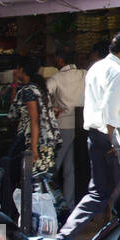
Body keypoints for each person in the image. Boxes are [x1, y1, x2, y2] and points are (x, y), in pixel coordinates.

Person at [58, 31, 120, 240]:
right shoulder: (118, 72)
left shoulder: (95, 68)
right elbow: (109, 109)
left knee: (98, 192)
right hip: (114, 136)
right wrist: (116, 141)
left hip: (94, 136)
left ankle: (65, 236)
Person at [4, 56, 62, 222]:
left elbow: (34, 119)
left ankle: (44, 218)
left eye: (17, 68)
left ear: (21, 69)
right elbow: (15, 110)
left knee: (37, 182)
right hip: (47, 142)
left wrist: (34, 148)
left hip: (37, 143)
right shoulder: (37, 88)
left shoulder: (29, 90)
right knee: (45, 180)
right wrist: (15, 84)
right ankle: (51, 216)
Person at [46, 51, 86, 209]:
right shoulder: (84, 74)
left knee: (54, 167)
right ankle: (69, 205)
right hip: (82, 125)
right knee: (70, 169)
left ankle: (51, 203)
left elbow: (43, 93)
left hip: (63, 125)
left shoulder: (57, 78)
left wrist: (52, 109)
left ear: (60, 60)